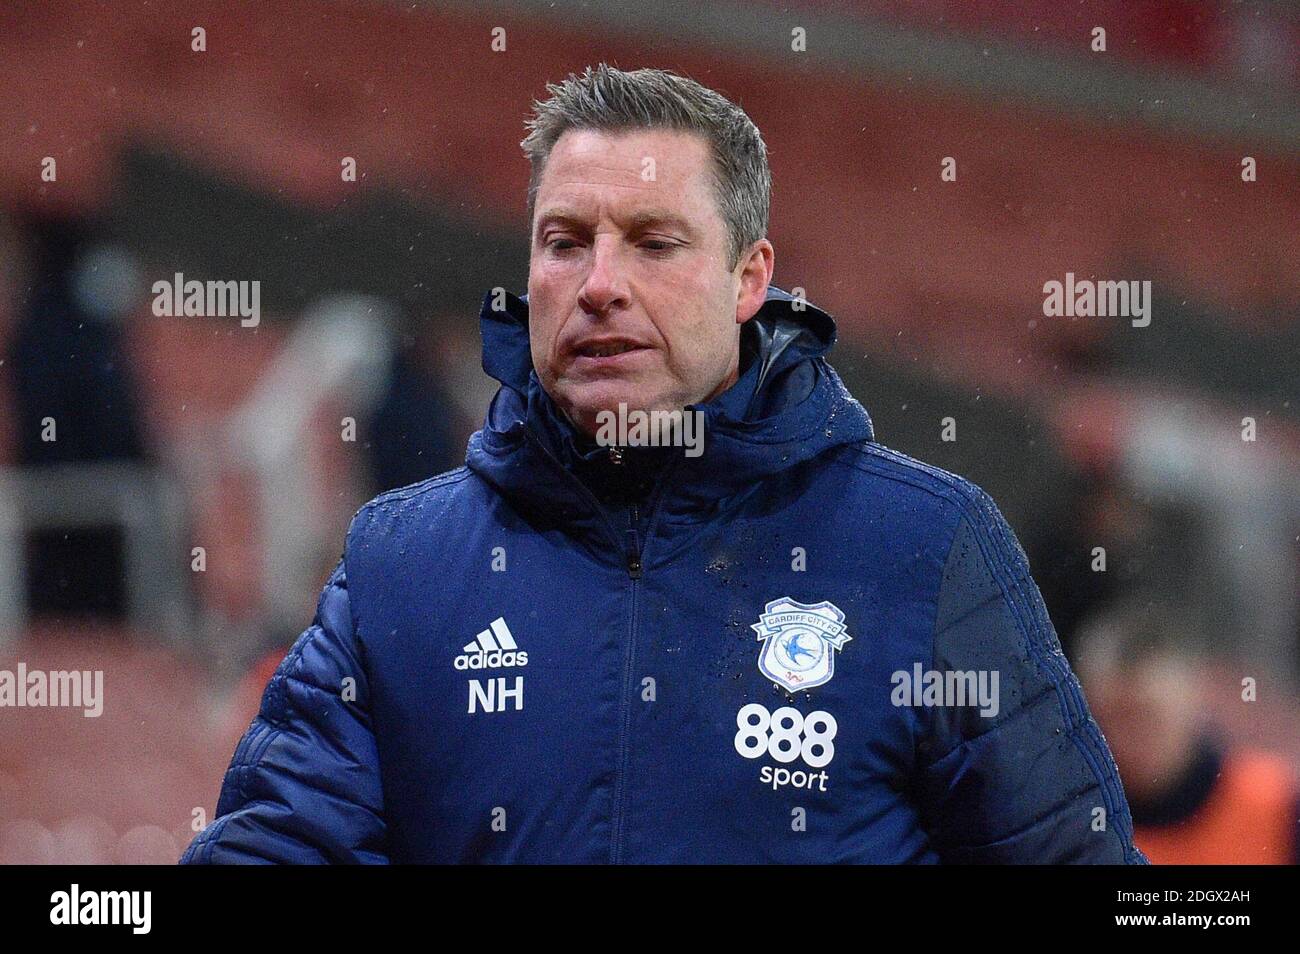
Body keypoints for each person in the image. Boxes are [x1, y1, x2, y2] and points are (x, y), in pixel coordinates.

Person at [182, 64, 1144, 864]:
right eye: (565, 243)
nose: (599, 286)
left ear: (749, 278)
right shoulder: (403, 560)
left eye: (653, 243)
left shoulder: (927, 548)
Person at [1075, 598, 1299, 864]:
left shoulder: (1277, 806)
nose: (1129, 738)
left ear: (1192, 699)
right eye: (1112, 719)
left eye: (1146, 717)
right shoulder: (1075, 826)